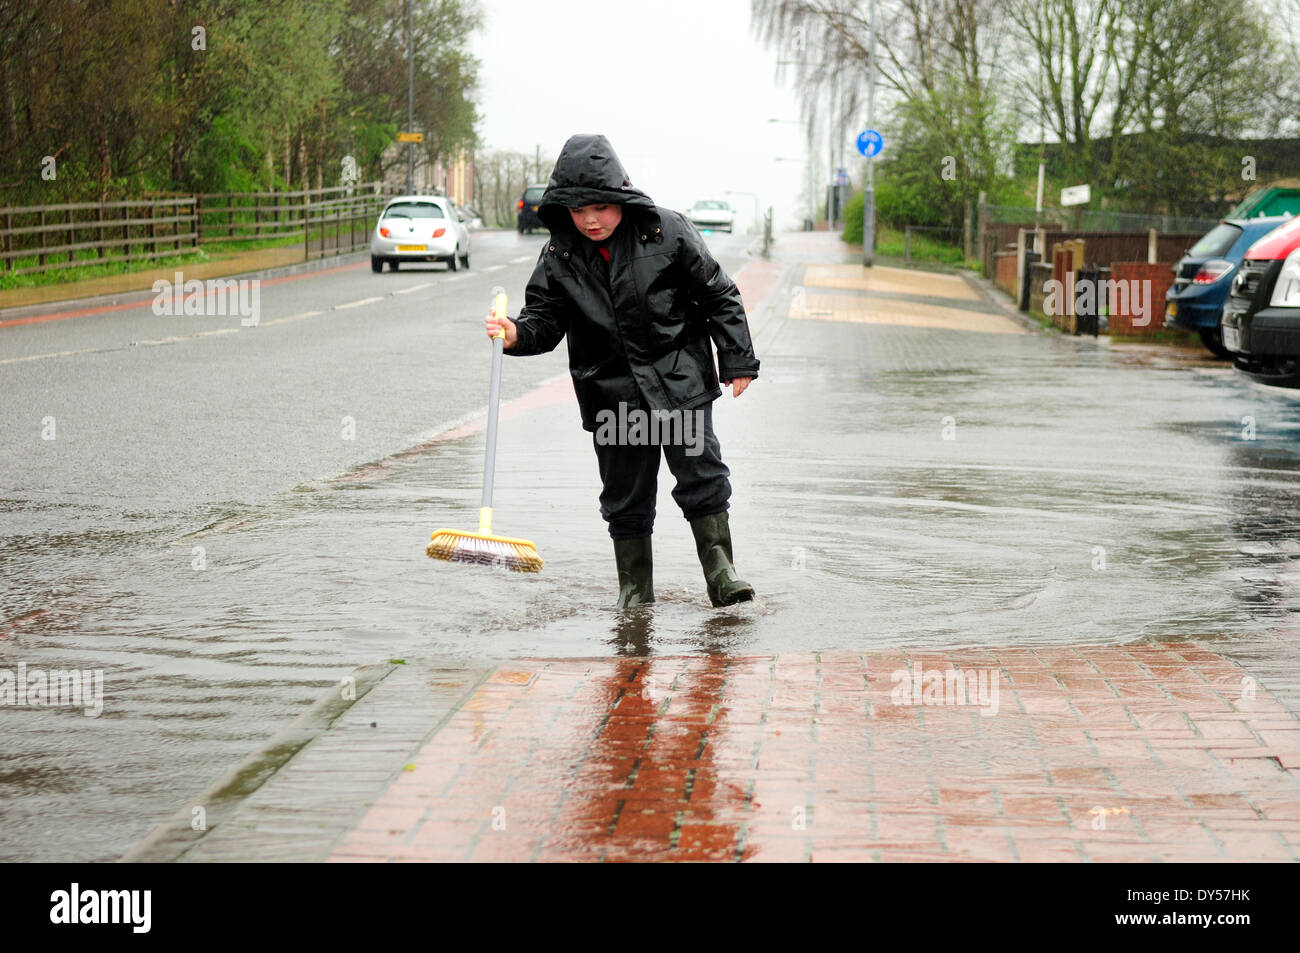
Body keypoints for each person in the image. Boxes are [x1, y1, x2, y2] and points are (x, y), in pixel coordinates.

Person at [484, 133, 760, 610]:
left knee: (701, 476)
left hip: (681, 385)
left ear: (620, 196)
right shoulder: (559, 255)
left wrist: (736, 360)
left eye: (600, 207)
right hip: (611, 393)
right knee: (625, 497)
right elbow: (544, 322)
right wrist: (514, 335)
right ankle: (635, 591)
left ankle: (721, 573)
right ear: (563, 209)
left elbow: (720, 294)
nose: (590, 220)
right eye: (578, 210)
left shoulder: (667, 231)